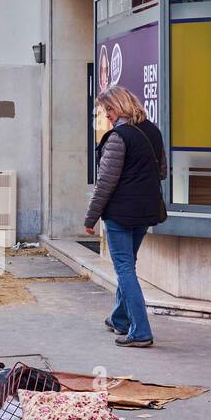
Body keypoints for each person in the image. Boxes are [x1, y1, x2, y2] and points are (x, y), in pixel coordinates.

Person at [84, 85, 166, 348]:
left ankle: (140, 330)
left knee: (124, 269)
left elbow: (105, 183)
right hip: (145, 212)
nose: (107, 115)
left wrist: (90, 218)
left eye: (110, 108)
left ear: (121, 105)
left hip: (120, 214)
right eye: (104, 110)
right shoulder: (153, 131)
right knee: (128, 265)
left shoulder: (119, 137)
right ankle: (120, 319)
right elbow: (162, 171)